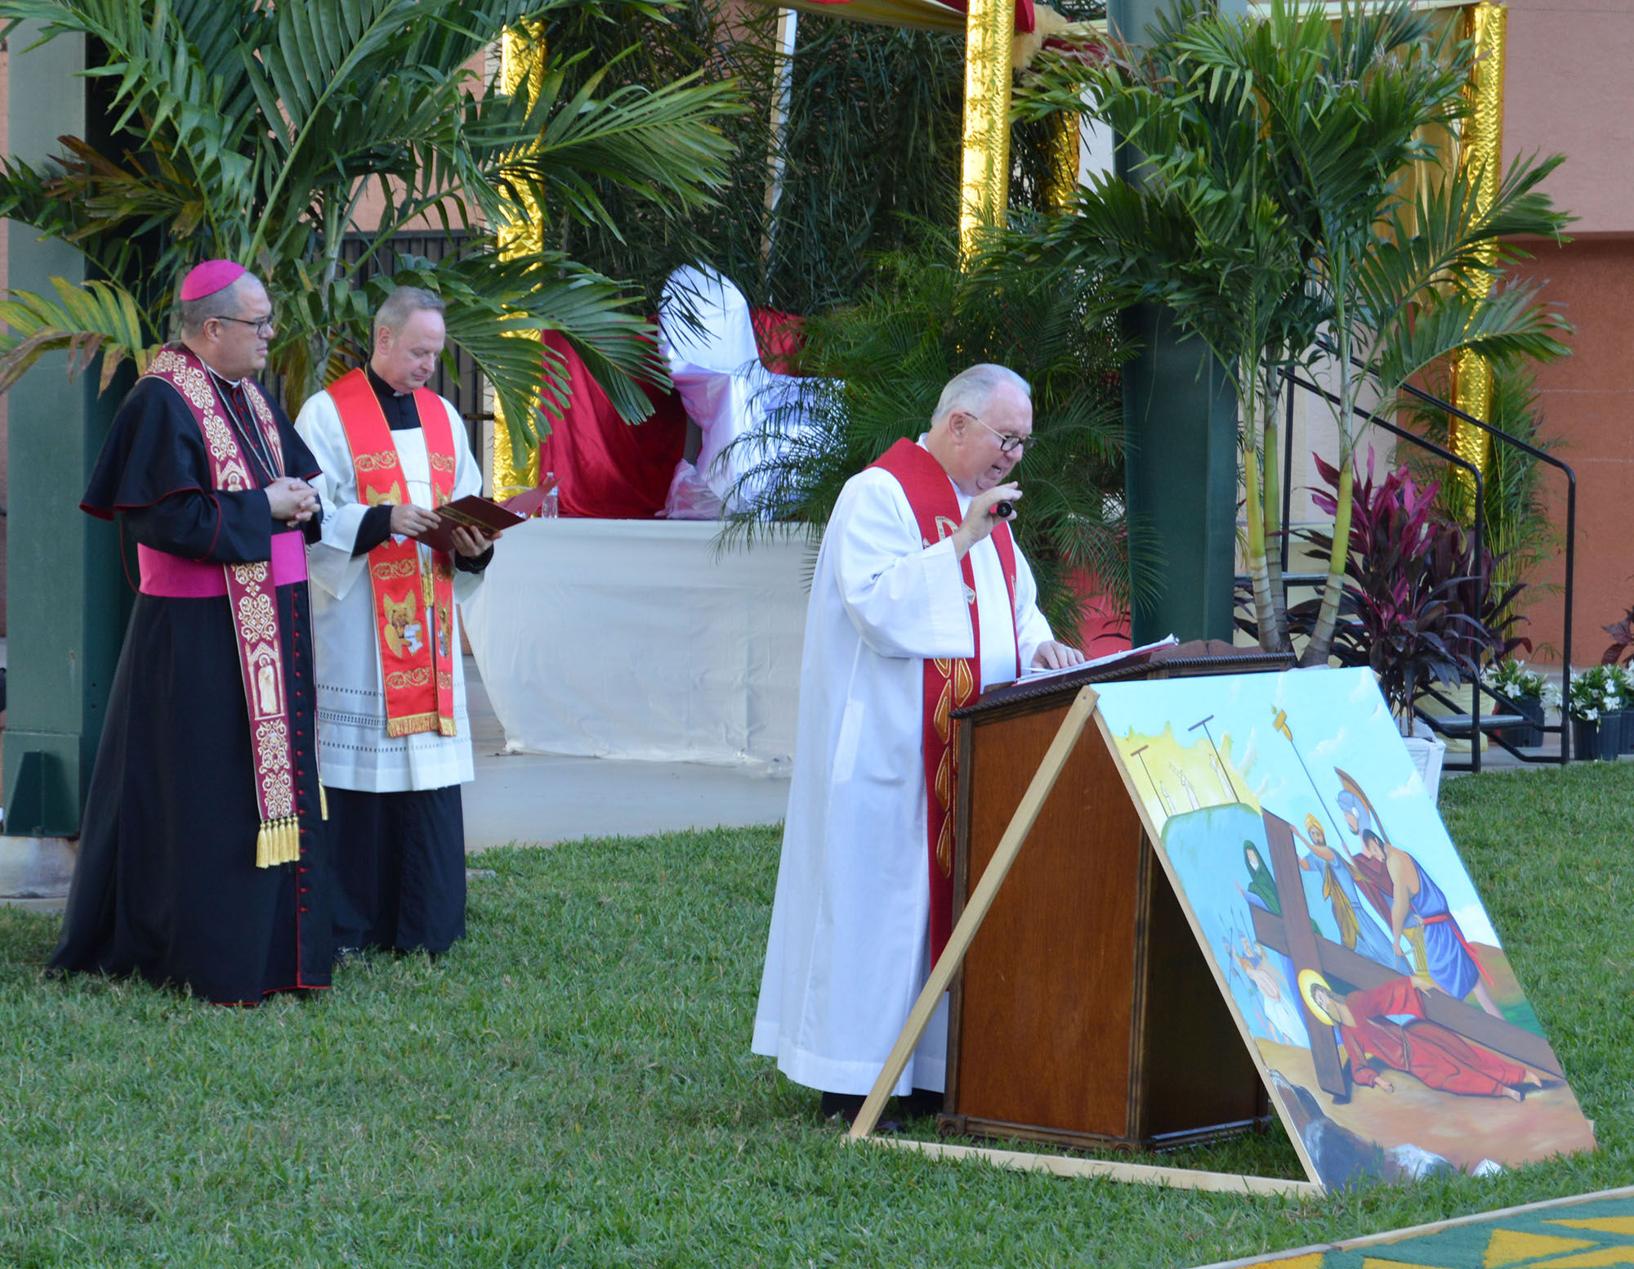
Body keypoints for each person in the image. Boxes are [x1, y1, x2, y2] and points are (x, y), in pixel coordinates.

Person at [751, 364, 1084, 1125]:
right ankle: (856, 1080)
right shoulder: (878, 494)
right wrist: (960, 540)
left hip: (967, 753)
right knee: (879, 915)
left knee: (943, 908)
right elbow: (877, 607)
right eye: (1006, 438)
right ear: (958, 423)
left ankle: (933, 1073)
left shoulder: (984, 511)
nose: (1014, 457)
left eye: (1023, 443)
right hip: (890, 756)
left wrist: (1040, 645)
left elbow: (1014, 609)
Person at [51, 261, 333, 1005]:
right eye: (258, 323)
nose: (270, 334)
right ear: (212, 328)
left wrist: (303, 501)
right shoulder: (162, 399)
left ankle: (280, 949)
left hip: (272, 624)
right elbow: (162, 519)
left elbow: (289, 483)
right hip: (199, 636)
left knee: (265, 785)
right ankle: (213, 953)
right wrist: (265, 508)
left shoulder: (251, 395)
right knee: (208, 793)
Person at [294, 287, 498, 956]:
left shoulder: (443, 416)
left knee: (427, 777)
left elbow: (466, 501)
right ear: (383, 339)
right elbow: (306, 517)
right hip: (359, 629)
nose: (428, 366)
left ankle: (426, 922)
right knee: (361, 777)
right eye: (418, 352)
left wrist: (475, 544)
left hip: (428, 628)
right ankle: (353, 923)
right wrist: (382, 520)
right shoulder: (327, 414)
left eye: (435, 354)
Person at [1301, 971, 1544, 1102]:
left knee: (1463, 1057)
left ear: (1329, 994)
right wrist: (1377, 1080)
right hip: (1409, 1063)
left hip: (1413, 1039)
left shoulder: (1356, 1002)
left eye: (1322, 997)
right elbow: (1358, 1065)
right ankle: (1502, 1090)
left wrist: (1412, 983)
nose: (1324, 1003)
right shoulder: (1346, 1032)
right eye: (1319, 1003)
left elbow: (1384, 997)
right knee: (1447, 1079)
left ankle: (1522, 1075)